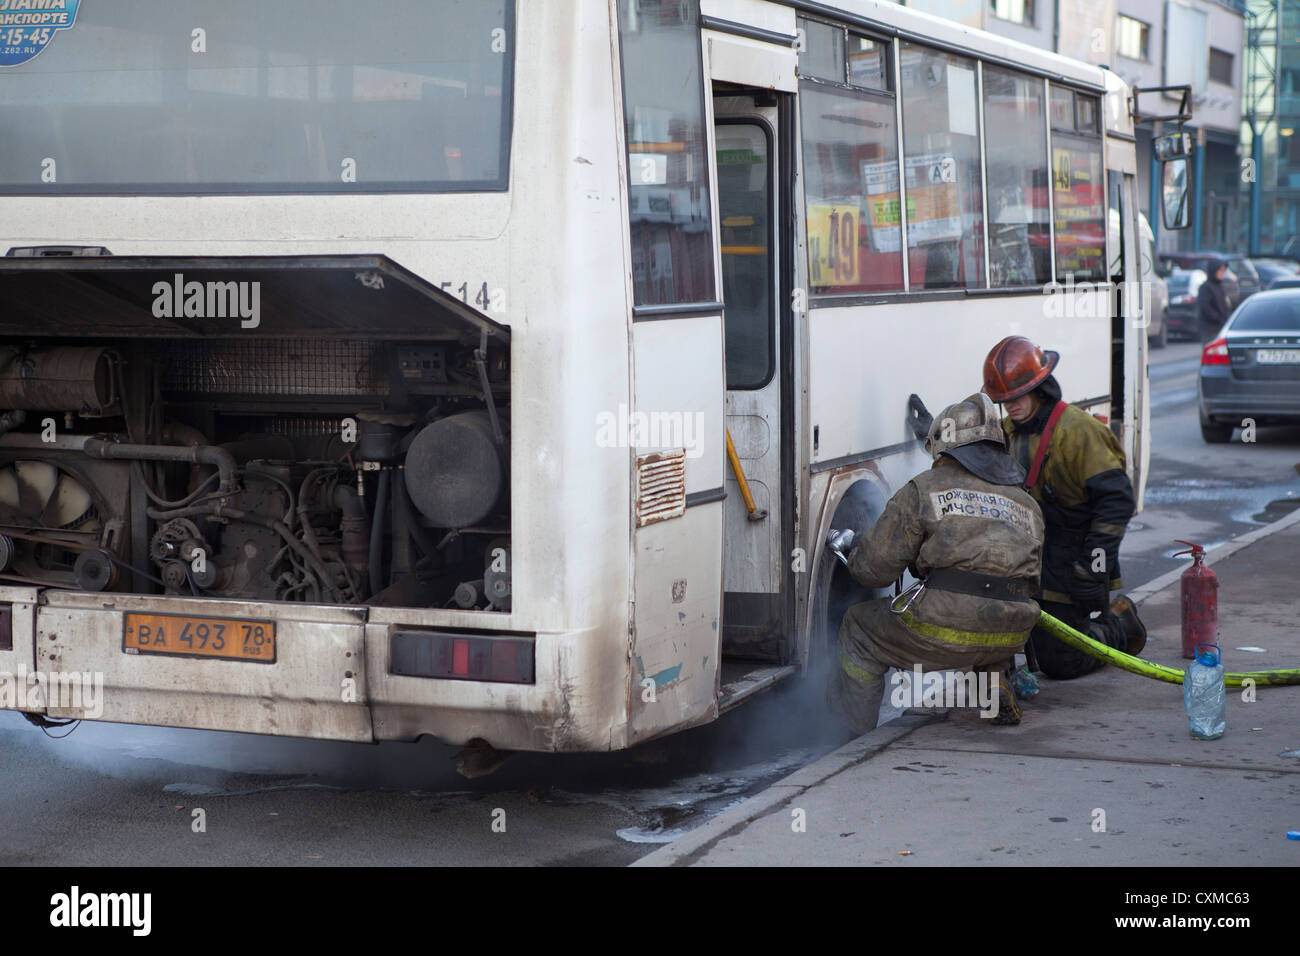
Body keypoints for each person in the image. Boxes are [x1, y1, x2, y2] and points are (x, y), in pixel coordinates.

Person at [826, 392, 1045, 732]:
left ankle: (852, 734)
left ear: (945, 448)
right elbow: (1023, 575)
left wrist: (858, 549)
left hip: (948, 628)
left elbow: (873, 571)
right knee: (992, 601)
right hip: (1014, 632)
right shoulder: (1026, 502)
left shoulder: (923, 489)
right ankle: (993, 683)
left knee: (858, 629)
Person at [981, 336, 1146, 681]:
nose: (1009, 406)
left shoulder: (1079, 432)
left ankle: (1120, 624)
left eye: (1016, 396)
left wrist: (1093, 567)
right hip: (1033, 557)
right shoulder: (1009, 431)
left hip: (1075, 560)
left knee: (1061, 662)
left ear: (1039, 386)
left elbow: (1116, 501)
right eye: (1003, 400)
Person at [1196, 258, 1231, 344]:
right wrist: (1218, 318)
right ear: (1214, 271)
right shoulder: (1206, 287)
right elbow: (1205, 307)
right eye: (1220, 271)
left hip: (1221, 327)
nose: (1221, 273)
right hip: (1210, 328)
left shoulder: (1220, 287)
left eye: (1223, 271)